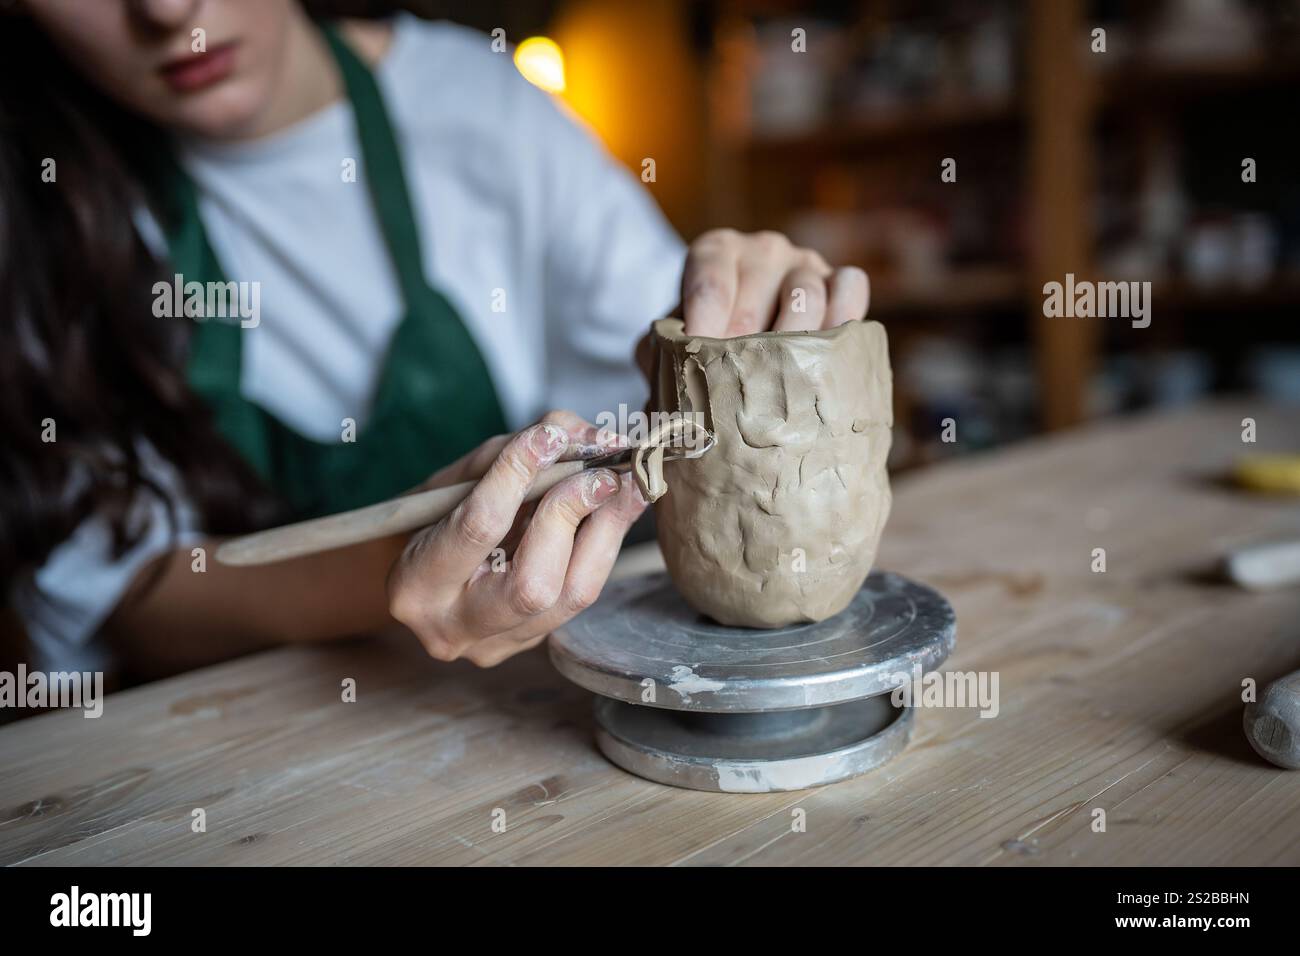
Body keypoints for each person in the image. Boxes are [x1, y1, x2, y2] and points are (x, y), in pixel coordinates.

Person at [0, 0, 871, 680]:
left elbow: (663, 365)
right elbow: (126, 601)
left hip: (509, 714)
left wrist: (735, 319)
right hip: (237, 734)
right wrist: (394, 569)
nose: (165, 10)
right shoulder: (39, 210)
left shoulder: (478, 106)